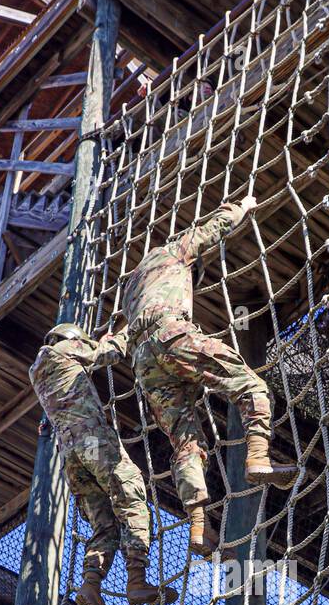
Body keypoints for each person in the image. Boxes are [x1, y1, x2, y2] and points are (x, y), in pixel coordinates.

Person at [119, 196, 298, 558]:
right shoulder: (171, 253)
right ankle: (258, 456)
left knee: (187, 444)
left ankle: (199, 528)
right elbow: (210, 230)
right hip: (170, 332)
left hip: (142, 361)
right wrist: (242, 206)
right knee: (250, 384)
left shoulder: (130, 291)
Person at [29, 322, 174, 605]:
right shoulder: (61, 351)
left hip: (71, 457)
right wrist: (125, 333)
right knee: (130, 491)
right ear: (71, 340)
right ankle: (136, 578)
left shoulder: (38, 371)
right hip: (92, 442)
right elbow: (107, 354)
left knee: (104, 523)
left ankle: (90, 585)